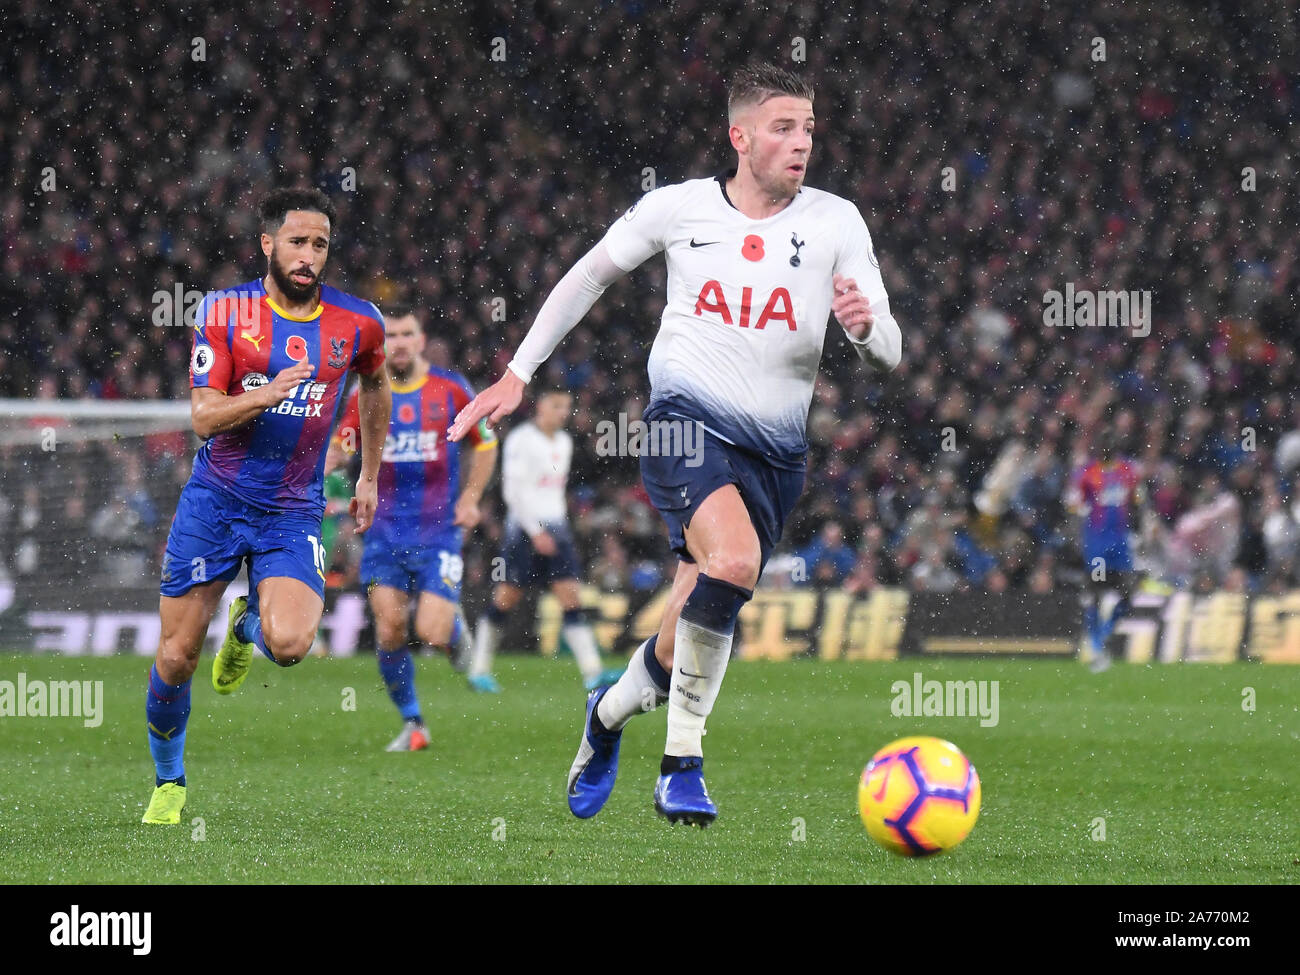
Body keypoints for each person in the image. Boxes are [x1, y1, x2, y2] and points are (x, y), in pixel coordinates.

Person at [448, 63, 901, 826]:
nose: (801, 144)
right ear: (741, 136)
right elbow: (587, 276)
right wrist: (519, 371)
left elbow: (887, 347)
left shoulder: (836, 222)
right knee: (733, 562)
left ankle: (609, 711)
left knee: (695, 605)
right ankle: (681, 764)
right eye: (784, 128)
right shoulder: (679, 207)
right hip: (682, 421)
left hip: (777, 454)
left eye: (810, 129)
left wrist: (862, 329)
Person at [142, 187, 390, 824]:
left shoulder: (358, 321)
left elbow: (376, 382)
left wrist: (367, 473)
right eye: (298, 242)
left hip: (291, 509)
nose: (309, 255)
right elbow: (203, 416)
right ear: (267, 245)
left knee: (291, 643)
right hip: (215, 503)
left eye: (320, 245)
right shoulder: (225, 312)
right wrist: (266, 394)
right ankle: (170, 783)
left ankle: (247, 625)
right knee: (176, 657)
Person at [328, 304, 498, 748]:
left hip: (439, 531)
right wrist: (316, 477)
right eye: (391, 336)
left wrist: (471, 498)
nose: (399, 343)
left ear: (421, 341)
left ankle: (455, 633)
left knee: (431, 632)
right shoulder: (364, 391)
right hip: (382, 531)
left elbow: (485, 443)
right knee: (388, 629)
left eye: (407, 334)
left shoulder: (451, 389)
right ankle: (414, 723)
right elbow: (342, 446)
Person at [465, 388, 623, 693]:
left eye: (567, 406)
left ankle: (593, 673)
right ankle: (479, 670)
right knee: (507, 597)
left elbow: (553, 490)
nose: (563, 412)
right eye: (556, 405)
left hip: (557, 530)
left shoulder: (564, 442)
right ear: (540, 406)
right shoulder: (521, 440)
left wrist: (557, 527)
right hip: (524, 531)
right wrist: (535, 530)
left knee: (571, 596)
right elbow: (513, 492)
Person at [1067, 431, 1143, 673]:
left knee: (1128, 594)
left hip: (1120, 546)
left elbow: (1136, 501)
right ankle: (1098, 649)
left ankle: (1104, 634)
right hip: (1098, 546)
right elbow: (1074, 506)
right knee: (1094, 595)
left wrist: (1138, 530)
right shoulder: (1086, 473)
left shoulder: (1128, 471)